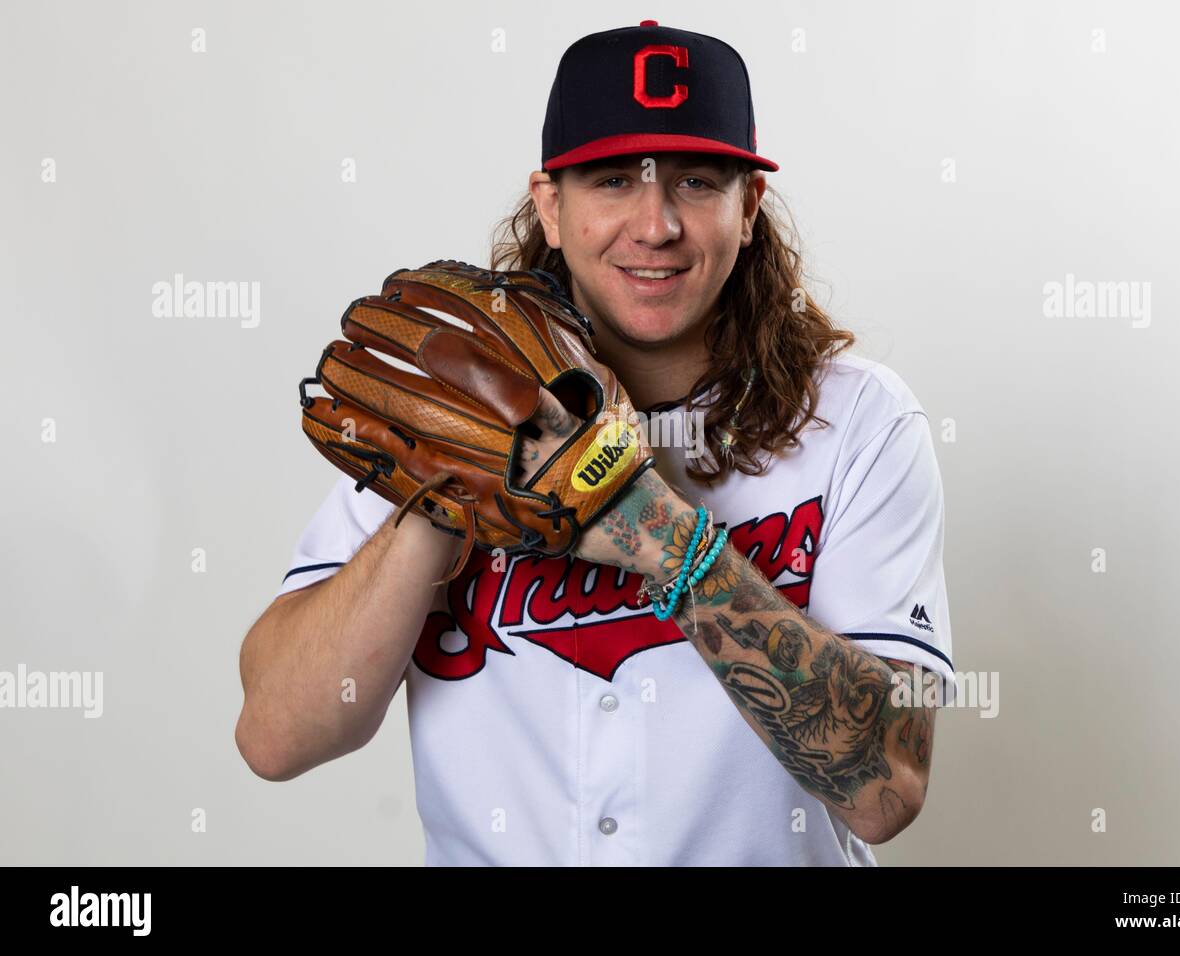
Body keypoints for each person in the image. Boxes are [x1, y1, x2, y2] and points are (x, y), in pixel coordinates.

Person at [236, 19, 954, 866]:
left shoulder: (860, 424)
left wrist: (658, 530)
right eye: (614, 180)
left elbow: (887, 786)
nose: (654, 227)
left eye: (694, 182)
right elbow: (276, 736)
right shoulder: (438, 412)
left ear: (748, 207)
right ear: (550, 205)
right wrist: (442, 499)